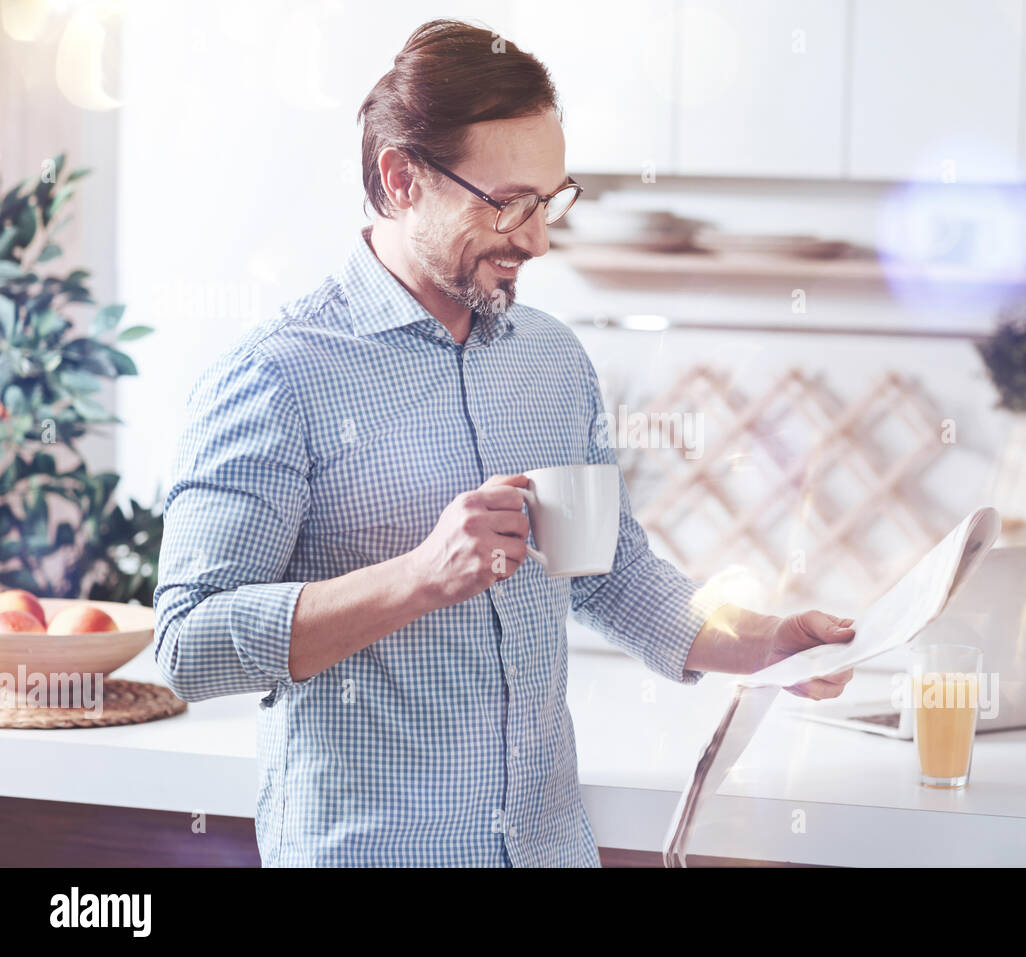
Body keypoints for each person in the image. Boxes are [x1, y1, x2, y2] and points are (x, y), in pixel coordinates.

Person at [154, 19, 855, 867]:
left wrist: (758, 643)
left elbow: (611, 570)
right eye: (508, 203)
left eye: (551, 201)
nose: (537, 238)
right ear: (401, 178)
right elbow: (188, 645)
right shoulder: (277, 377)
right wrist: (418, 577)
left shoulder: (551, 360)